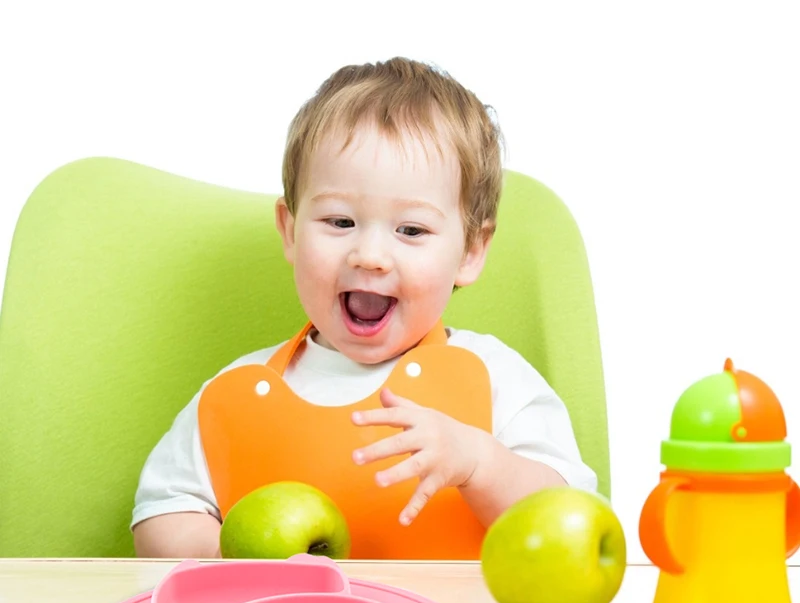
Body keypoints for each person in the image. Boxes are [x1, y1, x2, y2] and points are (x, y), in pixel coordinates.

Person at [131, 56, 597, 560]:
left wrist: (481, 464)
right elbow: (160, 513)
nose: (370, 256)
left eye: (411, 230)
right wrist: (238, 558)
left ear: (470, 252)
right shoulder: (236, 395)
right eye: (339, 221)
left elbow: (570, 523)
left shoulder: (495, 379)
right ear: (289, 230)